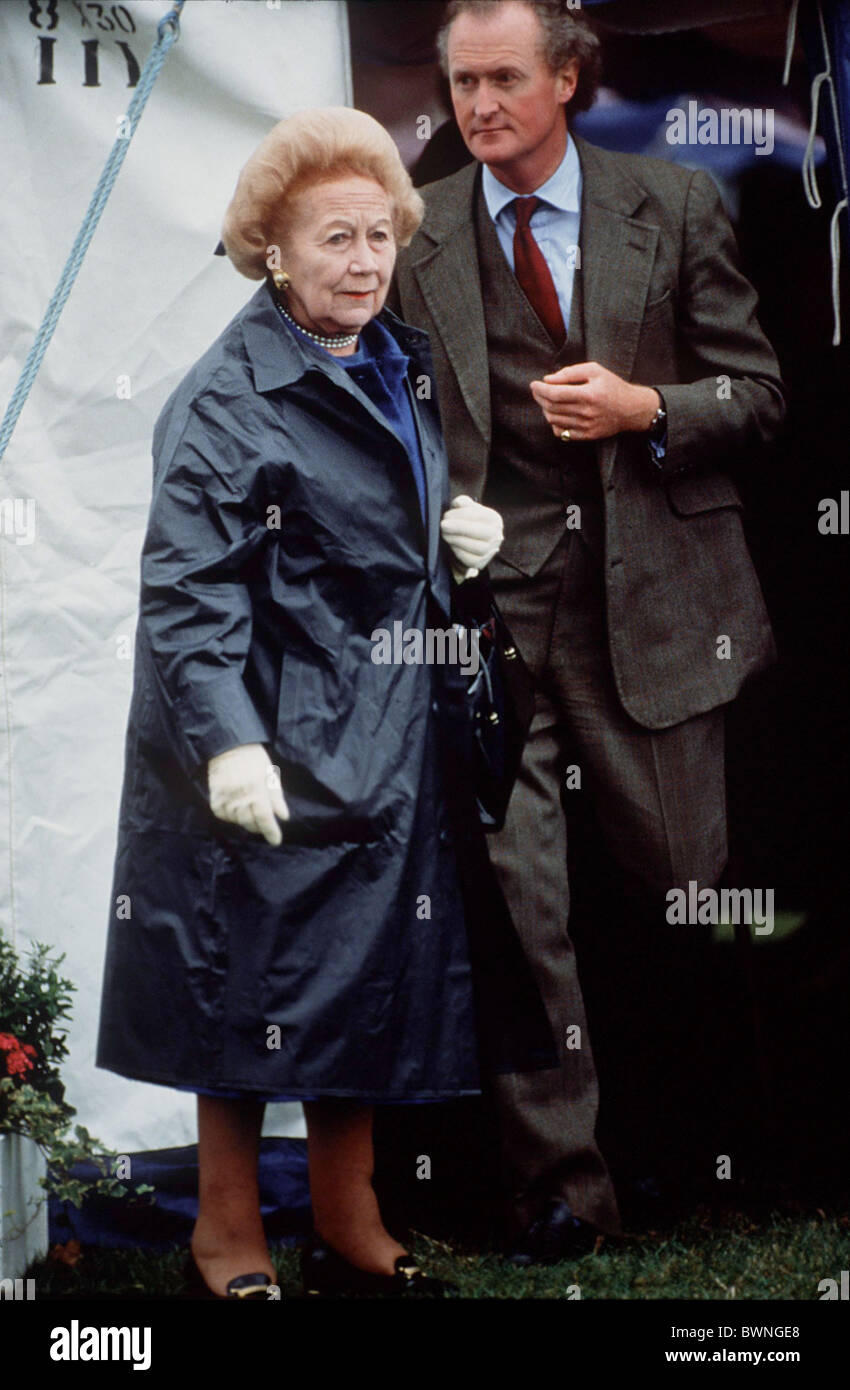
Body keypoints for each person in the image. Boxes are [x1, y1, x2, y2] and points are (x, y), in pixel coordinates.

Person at [392, 0, 786, 1261]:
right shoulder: (416, 234)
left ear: (568, 79)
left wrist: (643, 407)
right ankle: (562, 1190)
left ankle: (709, 1152)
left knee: (683, 898)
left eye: (504, 77)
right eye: (461, 82)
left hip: (660, 613)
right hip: (494, 625)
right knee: (521, 913)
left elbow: (761, 397)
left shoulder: (670, 206)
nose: (477, 104)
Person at [95, 106, 504, 1299]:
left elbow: (369, 527)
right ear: (274, 249)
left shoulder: (398, 357)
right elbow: (187, 591)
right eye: (336, 239)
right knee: (245, 978)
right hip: (272, 727)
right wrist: (228, 744)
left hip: (385, 731)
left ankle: (345, 1210)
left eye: (380, 237)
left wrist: (452, 544)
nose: (366, 262)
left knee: (367, 971)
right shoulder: (229, 395)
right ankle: (225, 1230)